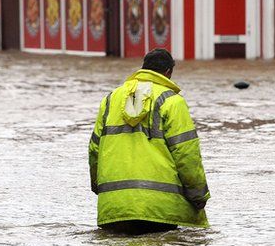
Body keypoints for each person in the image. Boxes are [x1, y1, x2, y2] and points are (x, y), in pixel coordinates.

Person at [88, 48, 210, 235]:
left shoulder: (111, 100)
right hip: (159, 209)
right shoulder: (172, 101)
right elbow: (186, 153)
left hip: (114, 207)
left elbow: (94, 149)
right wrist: (199, 195)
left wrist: (102, 189)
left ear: (143, 68)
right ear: (168, 72)